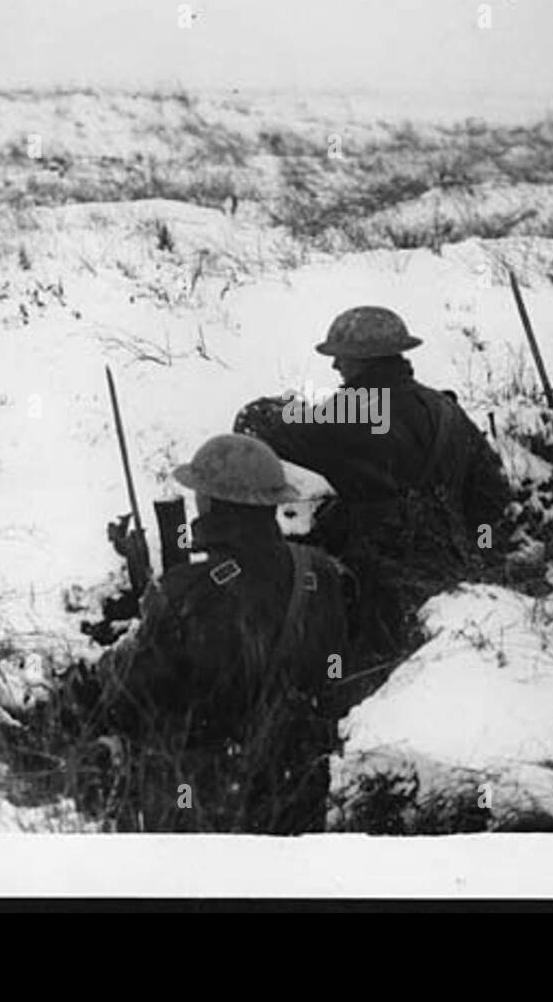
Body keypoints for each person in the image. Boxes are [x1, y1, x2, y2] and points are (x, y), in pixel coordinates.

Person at [49, 434, 355, 833]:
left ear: (210, 504)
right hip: (297, 792)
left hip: (202, 802)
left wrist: (83, 685)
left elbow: (126, 699)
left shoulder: (188, 591)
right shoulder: (323, 574)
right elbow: (337, 677)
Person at [234, 305, 508, 657]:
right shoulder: (446, 409)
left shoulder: (355, 412)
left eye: (342, 358)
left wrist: (291, 403)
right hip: (453, 580)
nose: (335, 366)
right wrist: (478, 549)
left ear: (365, 360)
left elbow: (256, 421)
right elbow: (493, 494)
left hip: (381, 588)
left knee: (378, 682)